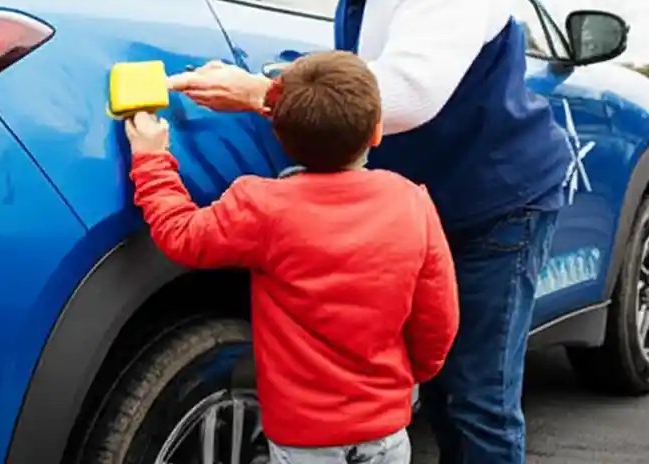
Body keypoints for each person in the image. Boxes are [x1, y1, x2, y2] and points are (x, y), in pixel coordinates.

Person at [166, 0, 573, 464]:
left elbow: (407, 93)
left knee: (477, 401)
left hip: (494, 207)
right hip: (430, 209)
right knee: (447, 395)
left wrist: (264, 93)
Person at [125, 50, 459, 464]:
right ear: (376, 132)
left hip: (304, 436)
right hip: (385, 427)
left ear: (279, 135)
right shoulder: (410, 202)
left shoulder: (263, 206)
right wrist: (417, 373)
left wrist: (151, 157)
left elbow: (180, 235)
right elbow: (437, 316)